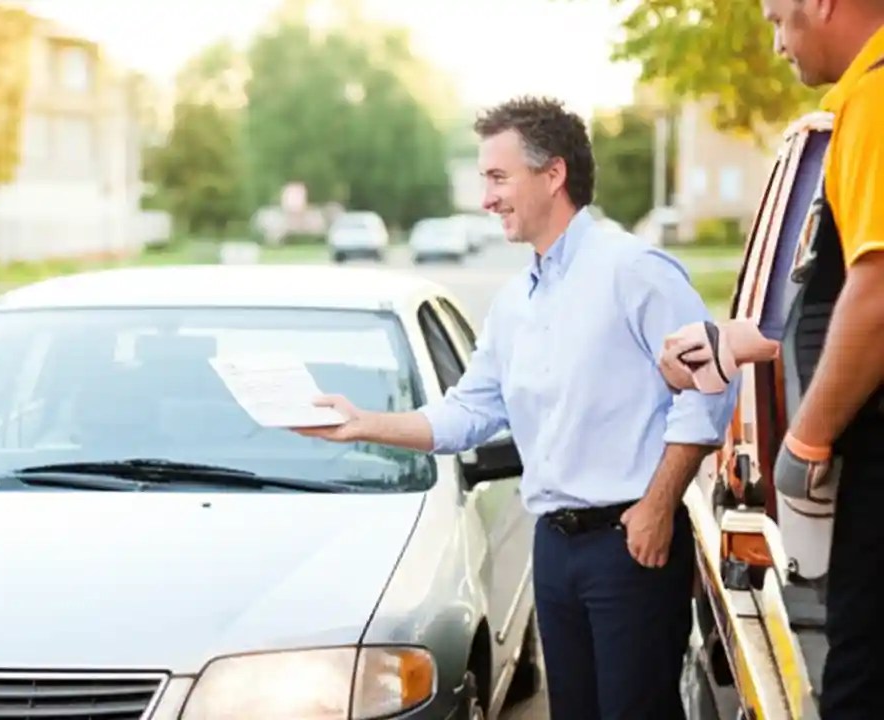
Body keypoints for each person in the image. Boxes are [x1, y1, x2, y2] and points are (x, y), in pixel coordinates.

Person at [293, 96, 737, 719]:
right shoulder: (515, 304)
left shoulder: (634, 271)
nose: (486, 199)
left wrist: (659, 505)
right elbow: (465, 416)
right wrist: (360, 424)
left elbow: (713, 387)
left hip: (631, 547)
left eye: (498, 178)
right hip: (554, 551)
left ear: (553, 174)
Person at [662, 3, 884, 716]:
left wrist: (808, 440)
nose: (776, 41)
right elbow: (818, 313)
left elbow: (874, 296)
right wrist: (737, 343)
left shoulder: (875, 101)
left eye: (778, 18)